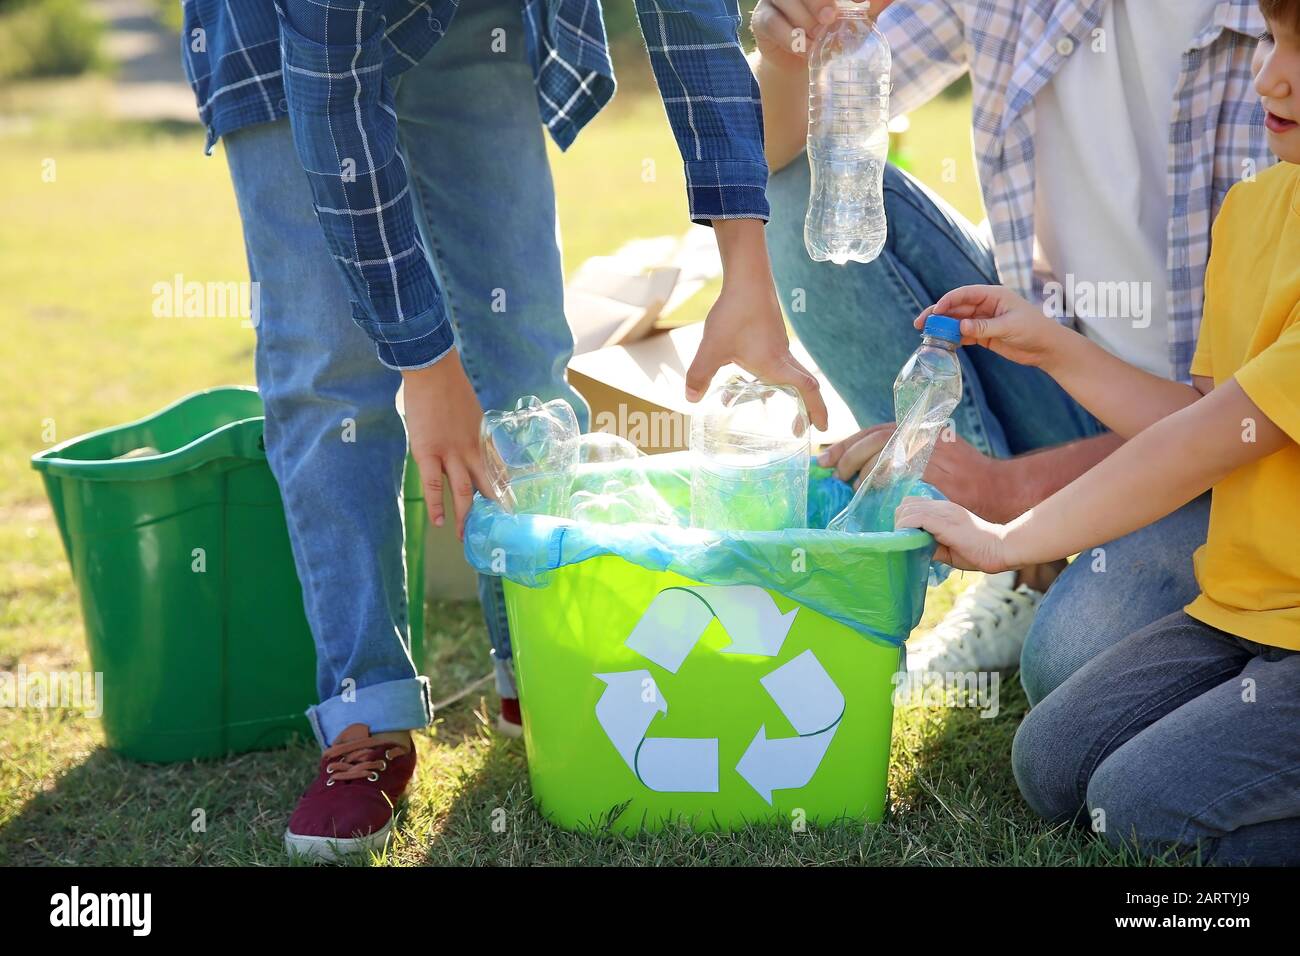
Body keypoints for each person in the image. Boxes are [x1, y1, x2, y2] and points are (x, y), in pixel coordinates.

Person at [181, 0, 826, 859]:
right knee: (329, 375)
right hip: (289, 42)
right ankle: (365, 709)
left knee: (523, 348)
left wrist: (747, 268)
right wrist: (427, 368)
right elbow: (333, 102)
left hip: (470, 22)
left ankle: (541, 657)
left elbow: (688, 19)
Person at [746, 0, 1273, 699]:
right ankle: (1006, 556)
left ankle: (1025, 542)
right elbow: (767, 151)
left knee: (1069, 666)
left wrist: (1009, 492)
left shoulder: (1277, 36)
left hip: (1232, 455)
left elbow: (1242, 421)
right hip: (1067, 386)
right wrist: (790, 55)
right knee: (802, 183)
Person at [896, 0, 1300, 864]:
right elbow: (1199, 422)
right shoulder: (1259, 208)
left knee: (1141, 807)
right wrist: (1054, 348)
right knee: (1052, 763)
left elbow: (1200, 446)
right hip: (1247, 610)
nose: (1272, 76)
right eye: (1273, 39)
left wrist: (1008, 536)